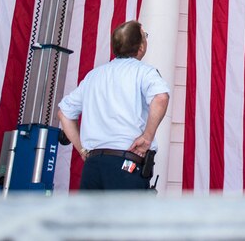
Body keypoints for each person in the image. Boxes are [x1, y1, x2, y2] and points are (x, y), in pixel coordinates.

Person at [57, 20, 169, 191]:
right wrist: (147, 137)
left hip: (93, 166)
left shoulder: (93, 76)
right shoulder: (144, 72)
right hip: (126, 166)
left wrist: (82, 149)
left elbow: (64, 113)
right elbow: (160, 97)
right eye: (144, 36)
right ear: (140, 47)